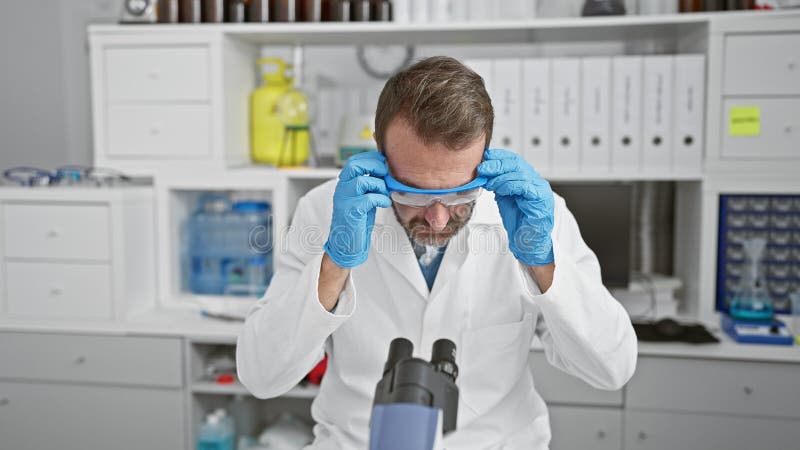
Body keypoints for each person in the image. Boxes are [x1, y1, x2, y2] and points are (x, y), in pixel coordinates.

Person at [237, 56, 637, 449]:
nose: (439, 218)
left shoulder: (535, 213)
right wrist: (334, 264)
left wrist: (543, 263)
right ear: (380, 154)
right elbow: (261, 375)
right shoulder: (325, 210)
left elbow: (612, 368)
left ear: (485, 157)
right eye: (413, 191)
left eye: (460, 193)